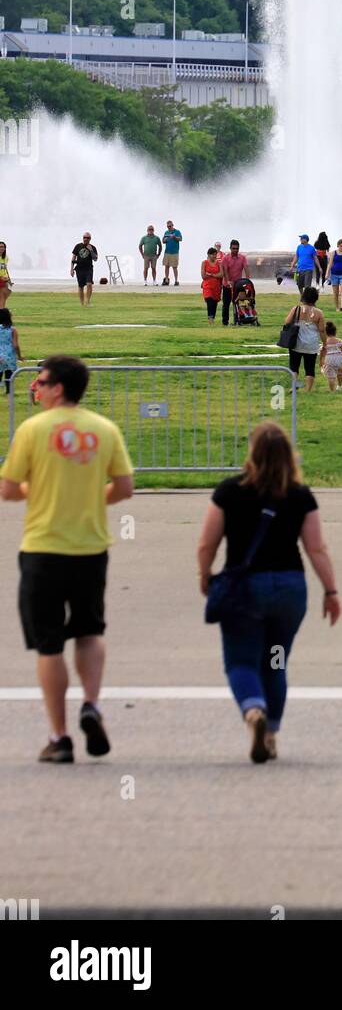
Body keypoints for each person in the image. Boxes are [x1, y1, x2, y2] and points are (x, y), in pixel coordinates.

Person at [0, 355, 134, 763]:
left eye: (41, 382)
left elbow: (7, 490)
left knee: (49, 644)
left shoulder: (32, 430)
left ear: (58, 388)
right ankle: (91, 703)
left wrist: (32, 488)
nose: (35, 388)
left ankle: (59, 737)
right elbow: (125, 487)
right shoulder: (104, 429)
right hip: (90, 548)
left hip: (43, 549)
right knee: (90, 630)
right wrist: (95, 496)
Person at [197, 422, 340, 763]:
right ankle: (271, 733)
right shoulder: (301, 495)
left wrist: (205, 575)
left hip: (245, 591)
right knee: (275, 663)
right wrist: (331, 591)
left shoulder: (229, 491)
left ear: (252, 452)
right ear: (289, 454)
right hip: (289, 590)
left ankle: (253, 712)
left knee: (241, 661)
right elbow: (317, 548)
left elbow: (207, 542)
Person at [281, 287, 326, 392]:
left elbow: (287, 322)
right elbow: (322, 330)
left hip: (296, 343)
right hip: (311, 344)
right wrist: (325, 343)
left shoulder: (296, 309)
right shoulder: (319, 313)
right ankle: (307, 390)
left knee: (294, 365)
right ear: (315, 298)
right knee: (309, 367)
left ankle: (294, 384)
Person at [221, 239, 250, 327]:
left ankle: (238, 320)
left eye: (237, 248)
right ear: (230, 248)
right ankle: (225, 322)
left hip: (238, 285)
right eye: (233, 248)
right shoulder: (225, 258)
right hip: (227, 285)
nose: (235, 250)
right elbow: (225, 271)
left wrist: (248, 279)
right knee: (226, 304)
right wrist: (228, 281)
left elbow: (246, 268)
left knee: (238, 303)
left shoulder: (242, 258)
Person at [320, 321, 342, 392]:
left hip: (329, 359)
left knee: (331, 376)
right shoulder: (339, 341)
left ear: (326, 332)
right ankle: (339, 386)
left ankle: (332, 390)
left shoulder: (325, 342)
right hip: (339, 359)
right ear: (335, 332)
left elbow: (322, 352)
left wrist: (322, 362)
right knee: (340, 373)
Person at [71, 232, 98, 307]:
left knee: (89, 284)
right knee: (81, 286)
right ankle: (82, 304)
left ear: (90, 239)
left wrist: (91, 250)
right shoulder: (78, 246)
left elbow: (95, 259)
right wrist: (71, 269)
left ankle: (88, 301)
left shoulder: (92, 247)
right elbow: (73, 258)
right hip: (79, 268)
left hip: (88, 268)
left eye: (87, 238)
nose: (85, 239)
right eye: (84, 237)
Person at [0, 307, 21, 393]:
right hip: (10, 355)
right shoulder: (13, 330)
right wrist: (19, 356)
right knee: (9, 374)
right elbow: (15, 345)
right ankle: (8, 391)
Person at [201, 247, 223, 326]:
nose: (214, 256)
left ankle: (212, 318)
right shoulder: (204, 263)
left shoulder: (219, 263)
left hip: (216, 286)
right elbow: (203, 276)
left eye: (215, 254)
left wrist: (211, 274)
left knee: (214, 303)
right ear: (208, 255)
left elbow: (221, 275)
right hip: (207, 286)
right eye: (212, 254)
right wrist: (215, 275)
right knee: (209, 301)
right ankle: (210, 319)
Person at [328, 239, 342, 312]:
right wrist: (327, 273)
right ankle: (337, 307)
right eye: (341, 246)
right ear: (338, 245)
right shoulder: (333, 253)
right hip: (334, 274)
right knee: (336, 293)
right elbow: (330, 264)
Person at [162, 220, 182, 286]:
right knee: (166, 266)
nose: (169, 227)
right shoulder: (166, 232)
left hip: (175, 252)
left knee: (174, 267)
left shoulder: (177, 231)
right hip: (167, 252)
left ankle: (176, 280)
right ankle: (167, 280)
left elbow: (180, 239)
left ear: (172, 225)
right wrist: (167, 239)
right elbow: (163, 241)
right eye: (168, 226)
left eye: (170, 226)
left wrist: (174, 237)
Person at [0, 241, 13, 309]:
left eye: (3, 247)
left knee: (5, 294)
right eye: (0, 247)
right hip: (0, 279)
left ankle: (2, 310)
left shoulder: (5, 257)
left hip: (4, 279)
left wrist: (8, 279)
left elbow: (5, 269)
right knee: (2, 295)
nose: (1, 248)